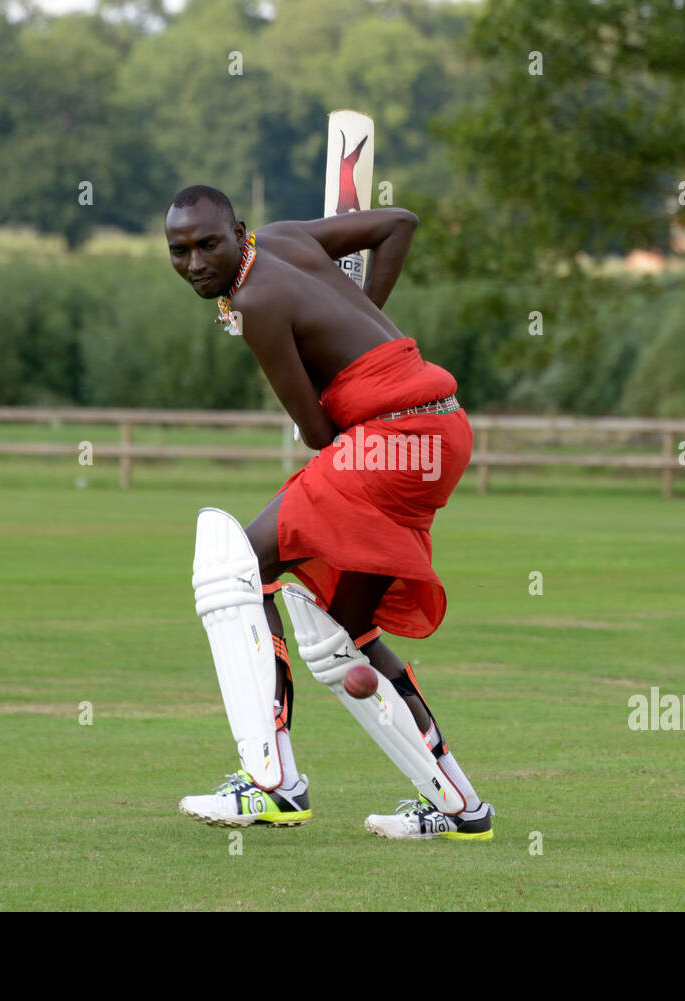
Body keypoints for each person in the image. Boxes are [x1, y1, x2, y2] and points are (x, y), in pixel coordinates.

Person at [168, 184, 492, 841]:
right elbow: (400, 222)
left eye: (208, 244)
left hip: (393, 441)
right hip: (442, 427)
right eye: (179, 251)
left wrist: (336, 359)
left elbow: (317, 432)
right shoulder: (288, 238)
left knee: (237, 566)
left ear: (237, 230)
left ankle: (274, 784)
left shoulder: (256, 302)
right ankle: (461, 807)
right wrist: (356, 316)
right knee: (344, 626)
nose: (195, 262)